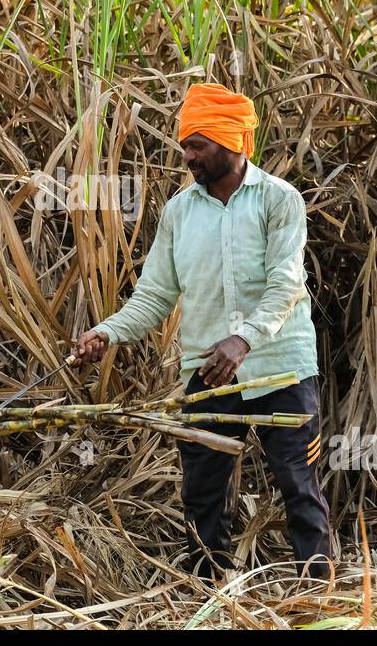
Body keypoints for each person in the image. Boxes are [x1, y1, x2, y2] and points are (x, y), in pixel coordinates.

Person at [74, 82, 331, 579]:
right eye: (185, 145)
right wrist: (106, 333)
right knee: (202, 490)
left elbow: (286, 281)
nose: (188, 155)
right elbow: (154, 295)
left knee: (298, 481)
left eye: (199, 145)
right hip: (209, 372)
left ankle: (319, 595)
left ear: (232, 141)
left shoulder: (280, 200)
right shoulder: (178, 212)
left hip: (282, 367)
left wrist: (244, 340)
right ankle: (207, 591)